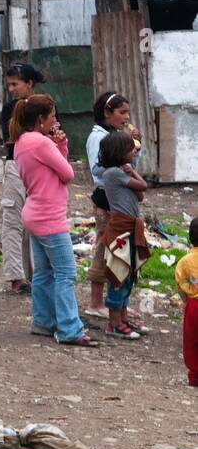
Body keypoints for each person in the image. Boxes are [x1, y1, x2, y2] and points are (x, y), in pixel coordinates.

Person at [11, 95, 97, 346]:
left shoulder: (22, 142)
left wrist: (59, 145)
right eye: (52, 117)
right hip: (49, 216)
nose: (55, 121)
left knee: (44, 273)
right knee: (65, 273)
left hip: (34, 212)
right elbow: (67, 173)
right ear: (41, 119)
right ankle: (70, 329)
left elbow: (51, 170)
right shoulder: (40, 143)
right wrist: (56, 146)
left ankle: (43, 321)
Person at [85, 92, 141, 319]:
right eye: (122, 112)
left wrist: (136, 147)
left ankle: (117, 303)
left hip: (120, 201)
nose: (126, 117)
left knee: (120, 252)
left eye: (127, 112)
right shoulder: (97, 137)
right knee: (103, 249)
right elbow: (97, 170)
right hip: (106, 200)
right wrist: (119, 170)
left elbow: (130, 165)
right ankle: (97, 302)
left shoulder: (116, 135)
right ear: (107, 113)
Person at [97, 130, 150, 340]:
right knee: (118, 275)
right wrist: (132, 173)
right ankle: (114, 323)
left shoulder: (121, 172)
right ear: (120, 152)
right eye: (130, 148)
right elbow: (143, 185)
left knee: (128, 275)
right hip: (121, 229)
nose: (134, 150)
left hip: (130, 228)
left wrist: (131, 171)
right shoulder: (113, 173)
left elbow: (141, 196)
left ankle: (124, 318)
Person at [0, 63, 44, 295]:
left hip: (41, 169)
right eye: (9, 85)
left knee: (36, 222)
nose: (12, 89)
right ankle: (17, 277)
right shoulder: (9, 109)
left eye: (15, 84)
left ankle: (38, 275)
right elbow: (11, 140)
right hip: (16, 166)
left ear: (30, 84)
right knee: (14, 220)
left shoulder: (45, 106)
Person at [173, 218, 198, 386]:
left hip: (194, 306)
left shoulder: (185, 261)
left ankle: (195, 375)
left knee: (192, 340)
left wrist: (186, 303)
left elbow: (181, 286)